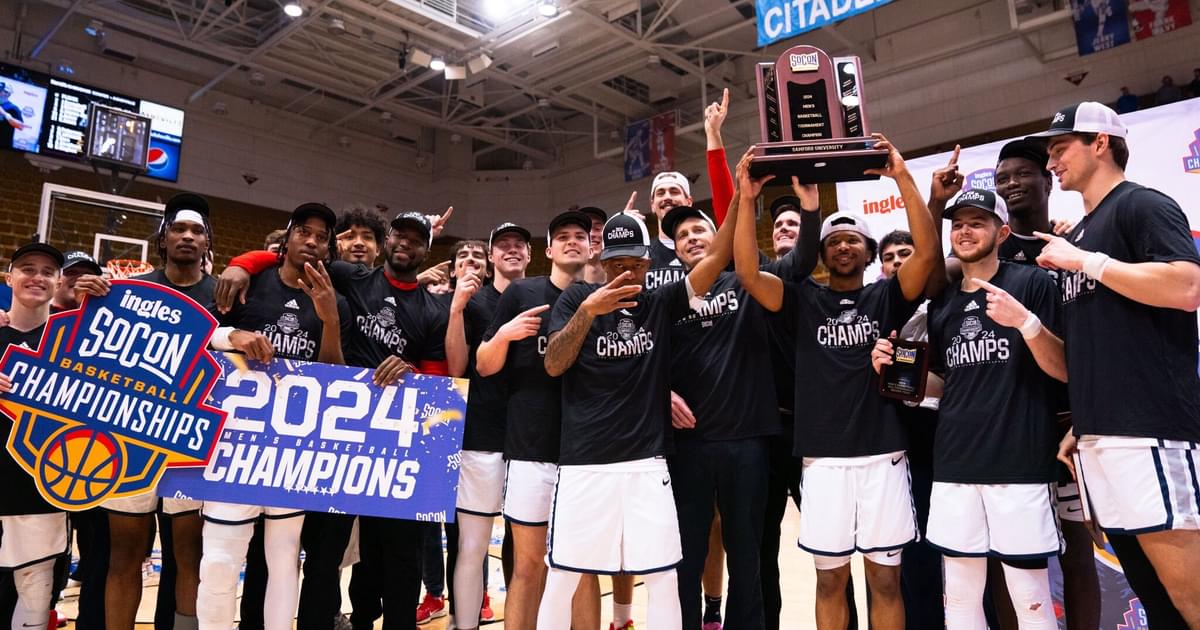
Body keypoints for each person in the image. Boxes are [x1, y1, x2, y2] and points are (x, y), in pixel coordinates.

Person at [734, 134, 940, 630]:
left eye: (853, 240)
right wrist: (744, 199)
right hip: (822, 461)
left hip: (884, 456)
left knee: (885, 582)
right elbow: (747, 272)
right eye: (833, 241)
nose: (843, 246)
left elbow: (928, 253)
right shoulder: (802, 300)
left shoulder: (888, 296)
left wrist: (902, 177)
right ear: (821, 253)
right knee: (829, 583)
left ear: (869, 252)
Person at [219, 210, 452, 630]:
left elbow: (438, 381)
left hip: (391, 442)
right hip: (331, 434)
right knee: (312, 555)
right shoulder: (350, 278)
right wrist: (241, 264)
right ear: (388, 241)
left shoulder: (432, 309)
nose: (405, 244)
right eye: (399, 235)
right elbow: (291, 256)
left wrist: (412, 372)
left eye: (417, 240)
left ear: (426, 249)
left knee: (389, 557)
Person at [1033, 101, 1200, 625]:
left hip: (1151, 430)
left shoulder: (1141, 205)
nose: (1051, 162)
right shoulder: (1078, 234)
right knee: (1154, 596)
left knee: (1191, 596)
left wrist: (1087, 262)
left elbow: (1187, 287)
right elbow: (1096, 346)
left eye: (1060, 148)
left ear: (1100, 144)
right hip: (1099, 438)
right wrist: (1082, 421)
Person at [537, 190, 734, 628]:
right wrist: (589, 311)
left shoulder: (660, 302)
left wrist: (740, 196)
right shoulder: (576, 298)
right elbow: (553, 364)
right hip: (585, 464)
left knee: (663, 576)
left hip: (647, 462)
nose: (625, 272)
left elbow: (717, 259)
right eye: (616, 263)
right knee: (563, 575)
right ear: (603, 260)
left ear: (648, 262)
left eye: (634, 263)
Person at [876, 188, 1065, 629]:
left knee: (1030, 598)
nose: (964, 231)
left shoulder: (1032, 283)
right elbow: (948, 384)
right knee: (960, 599)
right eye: (958, 224)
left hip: (1019, 464)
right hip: (955, 463)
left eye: (977, 223)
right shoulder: (943, 302)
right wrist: (895, 370)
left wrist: (1026, 323)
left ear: (1002, 233)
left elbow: (1064, 368)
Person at [663, 148, 815, 630]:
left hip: (748, 440)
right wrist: (660, 392)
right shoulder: (667, 298)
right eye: (682, 235)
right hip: (687, 445)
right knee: (686, 554)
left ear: (720, 237)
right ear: (675, 250)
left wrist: (789, 205)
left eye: (699, 230)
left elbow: (803, 260)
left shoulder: (751, 282)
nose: (691, 238)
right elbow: (642, 360)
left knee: (746, 554)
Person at [200, 202, 351, 630]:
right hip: (235, 445)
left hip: (292, 449)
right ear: (287, 237)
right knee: (219, 561)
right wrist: (233, 335)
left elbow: (336, 377)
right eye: (303, 231)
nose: (312, 241)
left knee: (284, 562)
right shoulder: (248, 281)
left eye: (321, 237)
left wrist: (330, 320)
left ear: (328, 248)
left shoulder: (334, 299)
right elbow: (200, 337)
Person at [73, 192, 218, 630]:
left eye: (197, 231)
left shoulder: (223, 294)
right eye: (179, 229)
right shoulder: (128, 291)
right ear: (163, 238)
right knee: (124, 555)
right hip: (131, 437)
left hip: (190, 442)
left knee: (189, 555)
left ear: (207, 243)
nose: (188, 237)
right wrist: (86, 301)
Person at [476, 212, 602, 630]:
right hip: (530, 447)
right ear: (547, 250)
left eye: (580, 236)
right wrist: (504, 335)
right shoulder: (522, 293)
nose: (572, 241)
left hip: (586, 452)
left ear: (592, 248)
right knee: (528, 566)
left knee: (583, 566)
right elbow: (484, 365)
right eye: (562, 236)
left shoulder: (601, 298)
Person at [444, 227, 532, 630]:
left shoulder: (544, 298)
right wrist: (456, 310)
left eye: (519, 246)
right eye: (503, 246)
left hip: (533, 441)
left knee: (530, 553)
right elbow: (457, 368)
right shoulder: (473, 302)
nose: (511, 251)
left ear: (530, 254)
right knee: (472, 545)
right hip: (481, 438)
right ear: (491, 257)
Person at [0, 242, 67, 630]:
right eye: (27, 268)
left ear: (59, 282)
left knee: (34, 600)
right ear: (9, 278)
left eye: (47, 272)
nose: (37, 277)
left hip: (41, 489)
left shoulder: (73, 342)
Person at [0, 83, 26, 150]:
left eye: (0, 90)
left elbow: (21, 126)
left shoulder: (13, 108)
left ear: (7, 94)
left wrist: (4, 114)